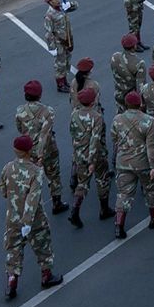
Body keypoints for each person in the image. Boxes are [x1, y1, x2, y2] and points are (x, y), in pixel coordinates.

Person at [1, 135, 63, 299]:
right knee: (42, 245)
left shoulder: (7, 168)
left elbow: (4, 192)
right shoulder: (36, 172)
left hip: (12, 218)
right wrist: (27, 222)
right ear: (29, 151)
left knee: (14, 249)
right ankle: (46, 276)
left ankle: (12, 282)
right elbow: (33, 198)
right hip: (33, 219)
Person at [110, 90, 154, 239]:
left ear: (126, 104)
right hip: (143, 163)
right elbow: (152, 146)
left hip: (123, 162)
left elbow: (114, 139)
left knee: (124, 194)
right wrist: (153, 166)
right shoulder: (149, 120)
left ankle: (119, 225)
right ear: (140, 104)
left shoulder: (117, 119)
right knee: (150, 190)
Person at [14, 80, 70, 215]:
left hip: (29, 151)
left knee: (31, 178)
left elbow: (20, 129)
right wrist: (41, 154)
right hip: (48, 149)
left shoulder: (20, 111)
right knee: (53, 175)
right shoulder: (48, 111)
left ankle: (32, 206)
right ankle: (57, 202)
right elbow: (45, 134)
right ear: (39, 95)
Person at [67, 87, 112, 229]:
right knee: (102, 180)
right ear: (93, 102)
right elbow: (95, 139)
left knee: (82, 183)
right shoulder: (96, 117)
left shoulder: (74, 114)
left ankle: (75, 209)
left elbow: (73, 134)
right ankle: (104, 209)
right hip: (96, 155)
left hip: (80, 154)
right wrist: (92, 160)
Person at [43, 0, 73, 92]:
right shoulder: (49, 15)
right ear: (50, 2)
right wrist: (52, 48)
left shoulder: (61, 7)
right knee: (60, 64)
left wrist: (69, 4)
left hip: (67, 39)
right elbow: (48, 33)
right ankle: (60, 84)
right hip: (59, 42)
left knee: (67, 60)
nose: (58, 0)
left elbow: (76, 6)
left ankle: (65, 81)